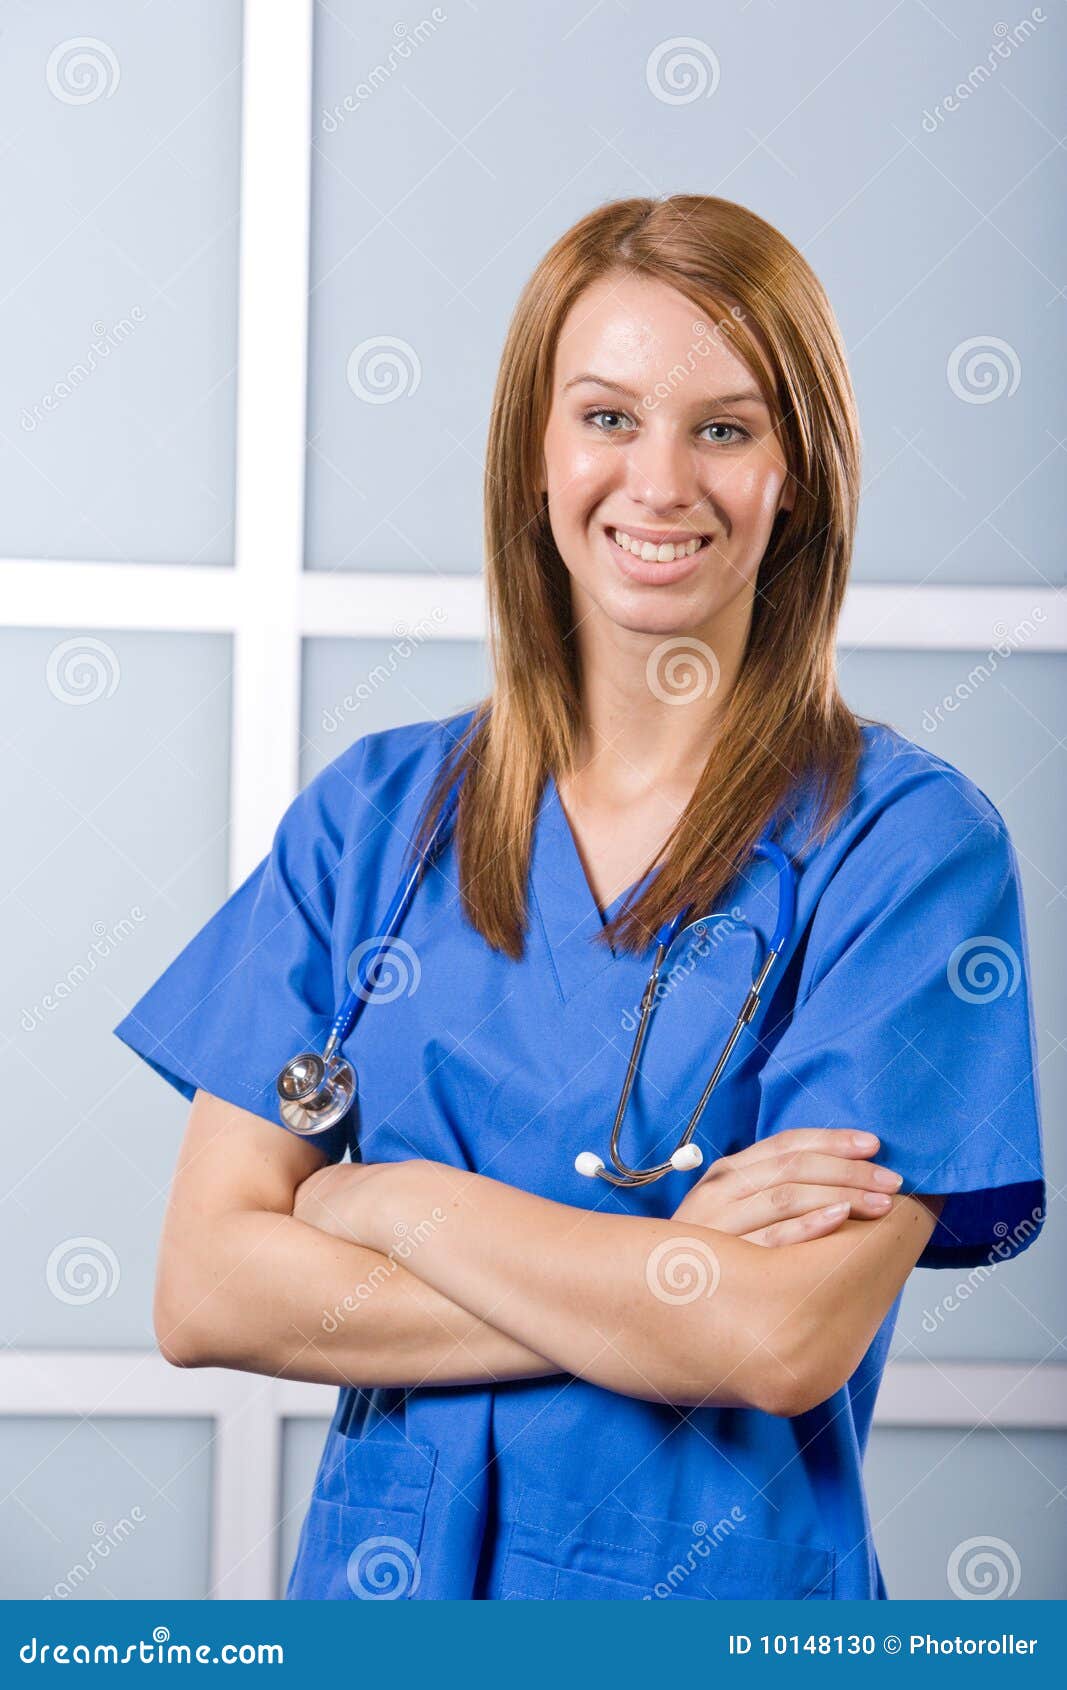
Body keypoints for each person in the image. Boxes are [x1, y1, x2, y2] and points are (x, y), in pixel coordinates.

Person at [113, 195, 1045, 1602]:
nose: (659, 481)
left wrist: (385, 1200)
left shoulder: (909, 854)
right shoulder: (374, 820)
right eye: (607, 416)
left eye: (724, 428)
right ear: (535, 456)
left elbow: (782, 1338)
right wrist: (676, 1273)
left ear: (797, 473)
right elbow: (205, 1289)